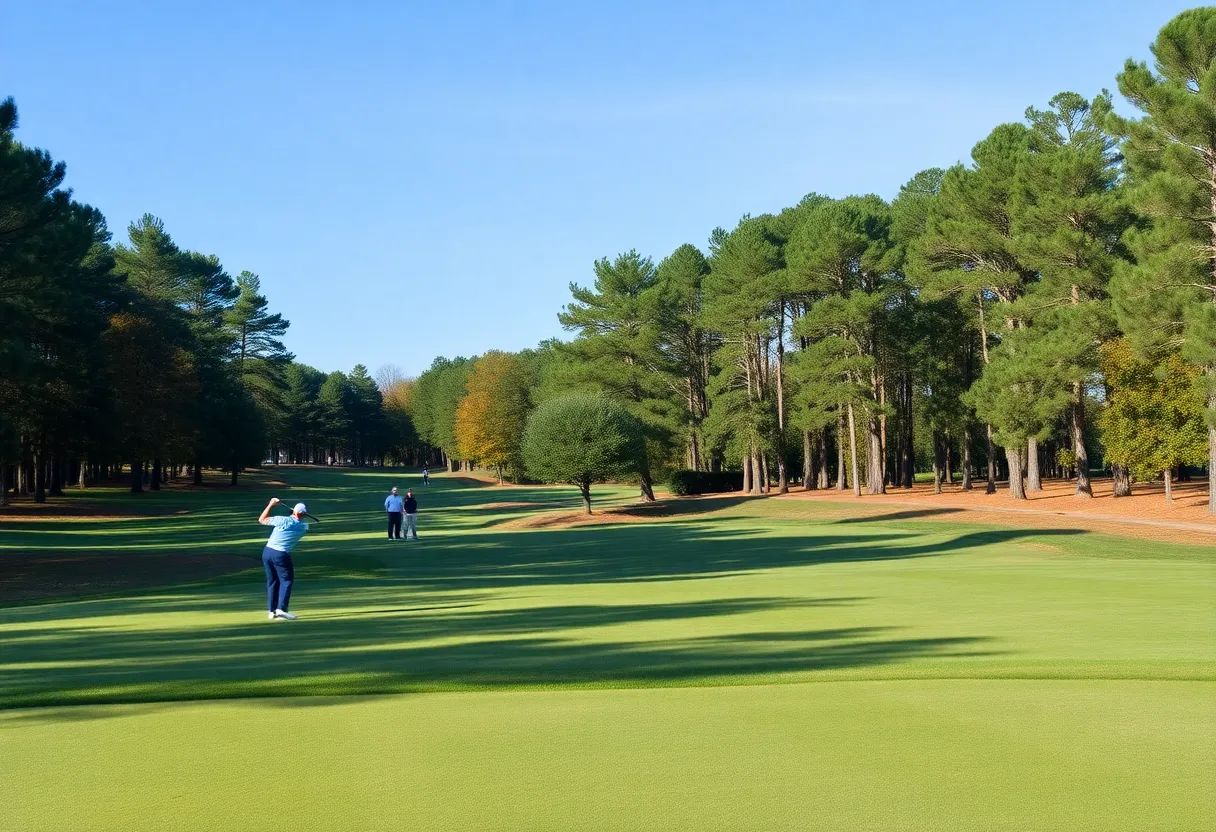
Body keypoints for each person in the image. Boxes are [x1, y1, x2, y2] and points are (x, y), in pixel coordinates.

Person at [258, 498, 310, 620]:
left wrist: (271, 504)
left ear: (293, 511)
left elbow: (262, 519)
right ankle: (281, 609)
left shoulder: (282, 520)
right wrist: (299, 514)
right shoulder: (304, 527)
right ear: (303, 514)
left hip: (267, 551)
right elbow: (299, 518)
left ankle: (271, 611)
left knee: (272, 581)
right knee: (286, 581)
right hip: (281, 554)